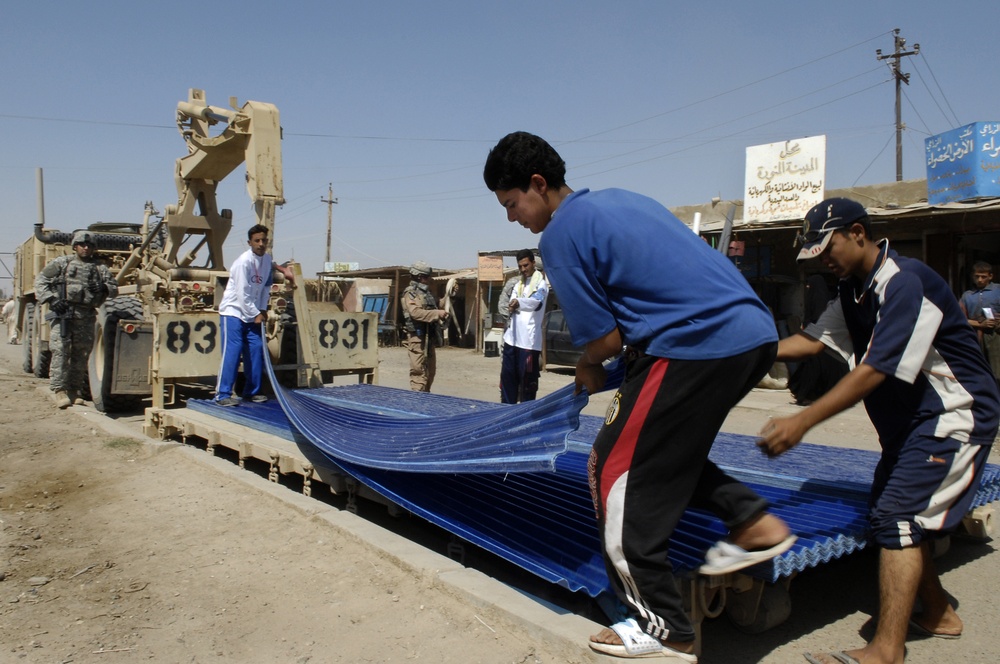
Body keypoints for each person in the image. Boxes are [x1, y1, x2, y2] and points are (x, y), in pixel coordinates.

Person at [484, 131, 794, 661]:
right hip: (753, 337)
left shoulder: (560, 236)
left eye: (512, 203)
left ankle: (665, 626)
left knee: (610, 467)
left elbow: (604, 338)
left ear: (538, 185)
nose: (512, 217)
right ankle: (752, 520)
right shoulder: (623, 200)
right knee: (663, 454)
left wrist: (586, 366)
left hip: (692, 344)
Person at [757, 197, 999, 664]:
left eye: (828, 247)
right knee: (888, 513)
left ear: (858, 232)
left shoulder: (903, 282)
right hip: (912, 425)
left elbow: (875, 371)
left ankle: (886, 651)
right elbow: (808, 342)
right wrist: (739, 354)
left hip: (955, 416)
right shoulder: (850, 289)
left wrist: (802, 421)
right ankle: (938, 612)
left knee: (897, 518)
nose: (823, 259)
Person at [34, 230, 119, 409]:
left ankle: (74, 390)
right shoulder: (62, 263)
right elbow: (41, 280)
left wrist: (104, 287)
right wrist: (51, 299)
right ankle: (59, 390)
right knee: (60, 351)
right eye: (82, 245)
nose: (86, 248)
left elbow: (114, 289)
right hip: (64, 314)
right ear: (75, 247)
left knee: (81, 354)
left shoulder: (100, 268)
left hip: (86, 316)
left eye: (89, 245)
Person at [215, 224, 295, 407]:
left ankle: (252, 391)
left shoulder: (267, 260)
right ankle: (223, 394)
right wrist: (255, 313)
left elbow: (265, 287)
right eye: (256, 240)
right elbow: (242, 293)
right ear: (249, 242)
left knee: (256, 348)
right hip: (233, 312)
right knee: (232, 352)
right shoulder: (243, 262)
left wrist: (263, 309)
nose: (260, 243)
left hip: (253, 312)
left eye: (263, 240)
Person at [787, 274, 849, 405]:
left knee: (814, 367)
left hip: (822, 341)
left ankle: (808, 394)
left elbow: (820, 319)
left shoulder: (826, 303)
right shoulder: (822, 299)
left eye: (809, 285)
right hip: (816, 338)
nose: (808, 288)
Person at [497, 249, 548, 403]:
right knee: (507, 382)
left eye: (526, 265)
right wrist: (512, 306)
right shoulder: (518, 283)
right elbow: (510, 302)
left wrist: (519, 303)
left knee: (527, 387)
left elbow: (536, 303)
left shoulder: (541, 284)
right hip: (511, 340)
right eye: (520, 266)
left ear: (533, 263)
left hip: (528, 343)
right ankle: (506, 417)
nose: (523, 269)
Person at [400, 261, 449, 392]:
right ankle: (417, 401)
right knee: (419, 373)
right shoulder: (411, 293)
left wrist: (449, 295)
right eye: (426, 277)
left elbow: (437, 305)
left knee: (430, 373)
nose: (428, 280)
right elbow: (415, 313)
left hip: (429, 338)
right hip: (418, 338)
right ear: (418, 276)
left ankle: (425, 399)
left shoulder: (427, 293)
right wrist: (437, 313)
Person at [958, 260, 1000, 386]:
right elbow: (959, 318)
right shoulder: (967, 296)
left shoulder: (998, 290)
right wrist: (980, 324)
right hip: (975, 336)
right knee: (978, 370)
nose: (980, 280)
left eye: (983, 276)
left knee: (997, 371)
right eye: (977, 276)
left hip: (996, 335)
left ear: (990, 276)